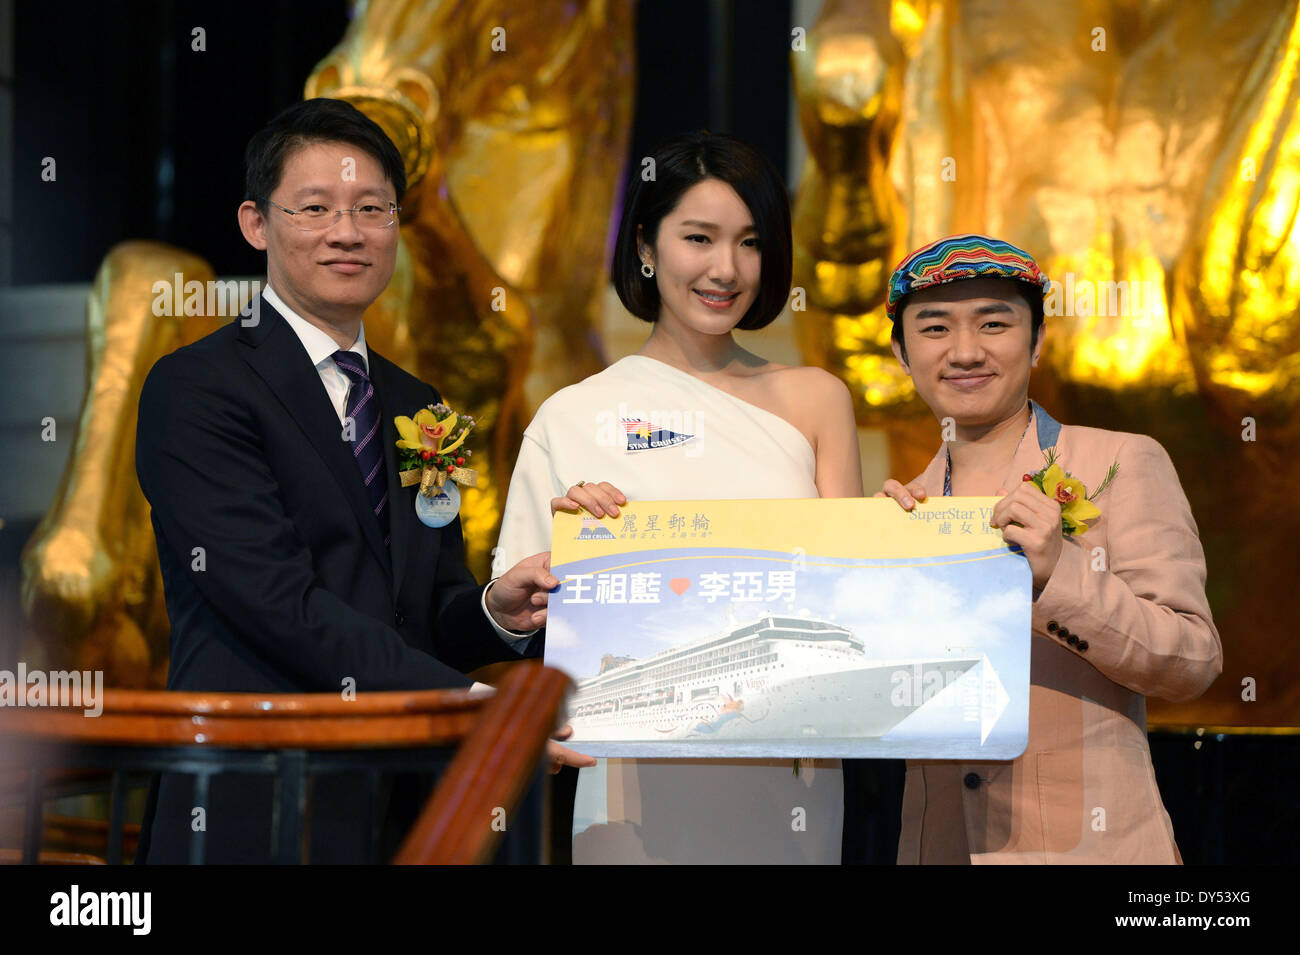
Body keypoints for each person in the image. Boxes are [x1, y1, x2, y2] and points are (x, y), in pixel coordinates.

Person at [133, 99, 561, 864]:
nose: (348, 231)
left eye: (372, 208)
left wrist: (494, 613)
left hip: (406, 812)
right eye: (315, 208)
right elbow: (277, 604)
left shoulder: (420, 406)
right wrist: (471, 707)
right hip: (256, 798)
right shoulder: (197, 387)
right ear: (256, 223)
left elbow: (420, 609)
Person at [491, 131, 864, 863]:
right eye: (699, 238)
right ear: (646, 246)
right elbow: (515, 626)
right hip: (627, 785)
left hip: (792, 772)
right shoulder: (571, 415)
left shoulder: (817, 401)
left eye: (750, 242)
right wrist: (571, 572)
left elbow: (851, 590)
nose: (726, 268)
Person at [875, 233, 1222, 863]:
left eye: (994, 323)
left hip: (1093, 849)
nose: (965, 351)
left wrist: (1055, 580)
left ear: (1036, 341)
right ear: (901, 351)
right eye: (934, 329)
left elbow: (1193, 658)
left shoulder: (1120, 459)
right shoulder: (901, 513)